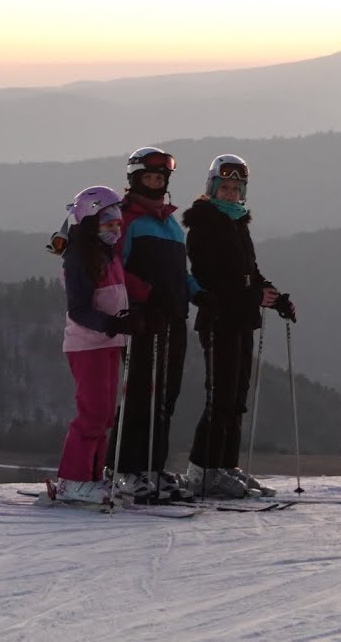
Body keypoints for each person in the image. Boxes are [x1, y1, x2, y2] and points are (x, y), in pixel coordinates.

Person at [181, 154, 297, 498]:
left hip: (241, 320)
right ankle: (204, 470)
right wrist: (253, 297)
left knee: (236, 398)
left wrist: (275, 299)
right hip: (218, 320)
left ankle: (225, 465)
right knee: (220, 397)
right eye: (225, 187)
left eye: (236, 188)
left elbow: (251, 274)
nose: (231, 193)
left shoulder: (236, 224)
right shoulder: (203, 226)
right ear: (212, 188)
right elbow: (208, 280)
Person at [108, 146, 217, 502]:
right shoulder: (127, 220)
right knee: (140, 394)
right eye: (148, 177)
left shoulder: (170, 223)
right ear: (134, 180)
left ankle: (153, 468)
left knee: (166, 396)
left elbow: (178, 273)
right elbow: (115, 268)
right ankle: (124, 471)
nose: (155, 183)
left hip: (173, 319)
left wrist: (197, 293)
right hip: (141, 321)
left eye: (160, 178)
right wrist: (145, 294)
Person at [51, 185, 144, 504]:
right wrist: (115, 324)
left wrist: (143, 307)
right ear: (89, 223)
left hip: (108, 342)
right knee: (91, 413)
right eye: (107, 224)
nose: (115, 231)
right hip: (87, 345)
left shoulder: (106, 254)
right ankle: (73, 479)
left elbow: (120, 291)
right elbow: (78, 310)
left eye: (118, 224)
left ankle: (93, 475)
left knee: (105, 415)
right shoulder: (79, 258)